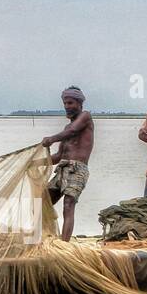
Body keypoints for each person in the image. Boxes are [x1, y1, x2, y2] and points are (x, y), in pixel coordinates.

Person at [41, 86, 94, 242]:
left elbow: (72, 131)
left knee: (68, 204)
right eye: (65, 103)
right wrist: (35, 162)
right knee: (43, 201)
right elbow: (58, 156)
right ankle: (45, 236)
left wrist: (51, 138)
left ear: (79, 103)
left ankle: (64, 243)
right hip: (62, 169)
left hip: (78, 169)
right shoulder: (66, 128)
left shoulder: (86, 117)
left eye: (70, 103)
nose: (67, 107)